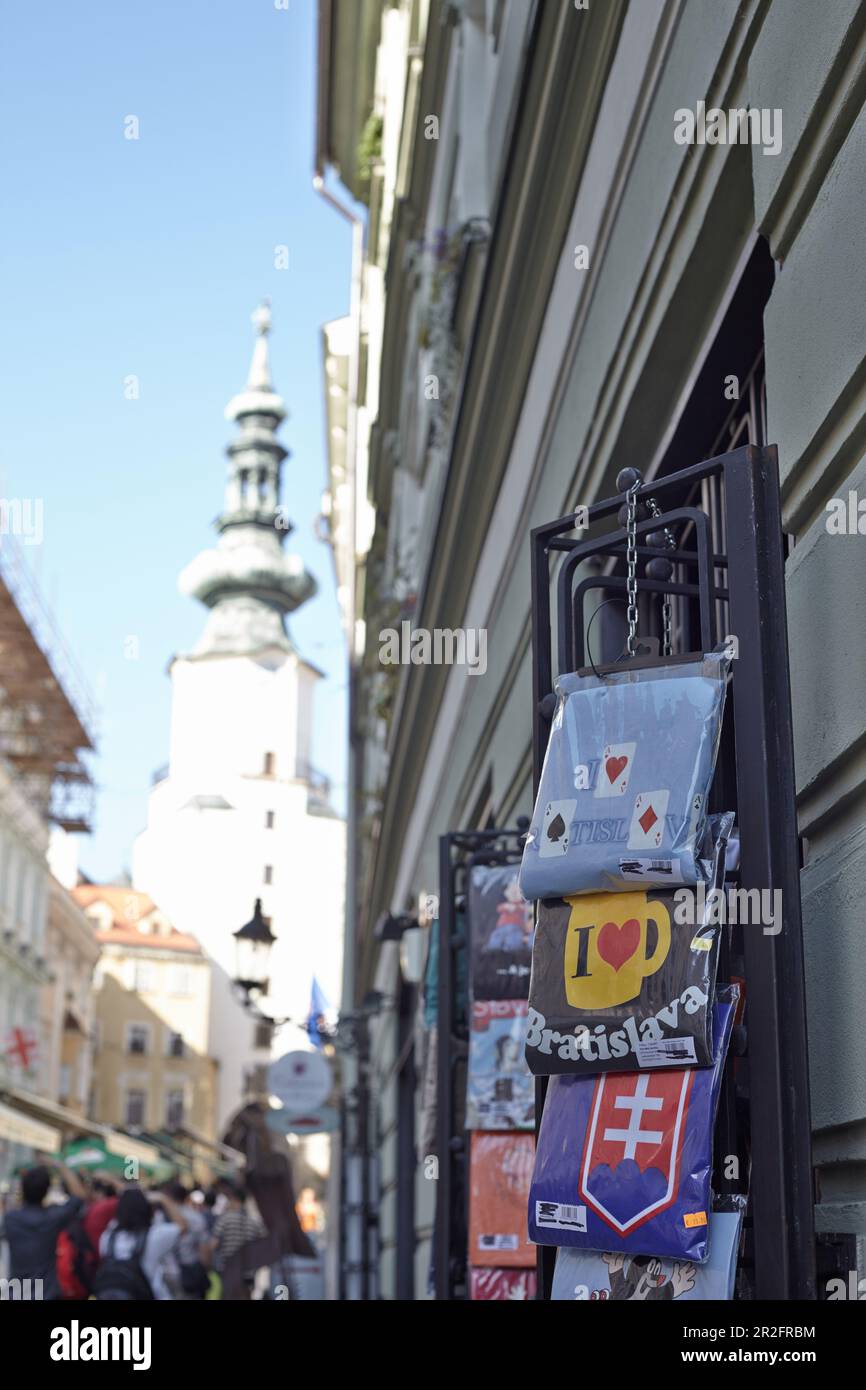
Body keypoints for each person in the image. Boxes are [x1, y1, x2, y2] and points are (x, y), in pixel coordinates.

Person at [0, 1159, 87, 1300]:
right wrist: (60, 1166)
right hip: (46, 1293)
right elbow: (79, 1196)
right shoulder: (52, 1218)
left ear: (22, 1189)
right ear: (46, 1191)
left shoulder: (11, 1219)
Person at [96, 1187, 187, 1300]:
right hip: (149, 1293)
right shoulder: (154, 1236)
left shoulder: (108, 1237)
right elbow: (183, 1226)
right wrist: (163, 1199)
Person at [206, 1182, 264, 1299]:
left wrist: (209, 1265)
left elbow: (212, 1245)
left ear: (234, 1200)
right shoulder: (254, 1222)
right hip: (248, 1271)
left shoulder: (225, 1219)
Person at [164, 1182, 210, 1299]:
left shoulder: (162, 1217)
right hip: (191, 1271)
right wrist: (204, 1269)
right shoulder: (196, 1217)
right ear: (186, 1197)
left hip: (167, 1273)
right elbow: (204, 1249)